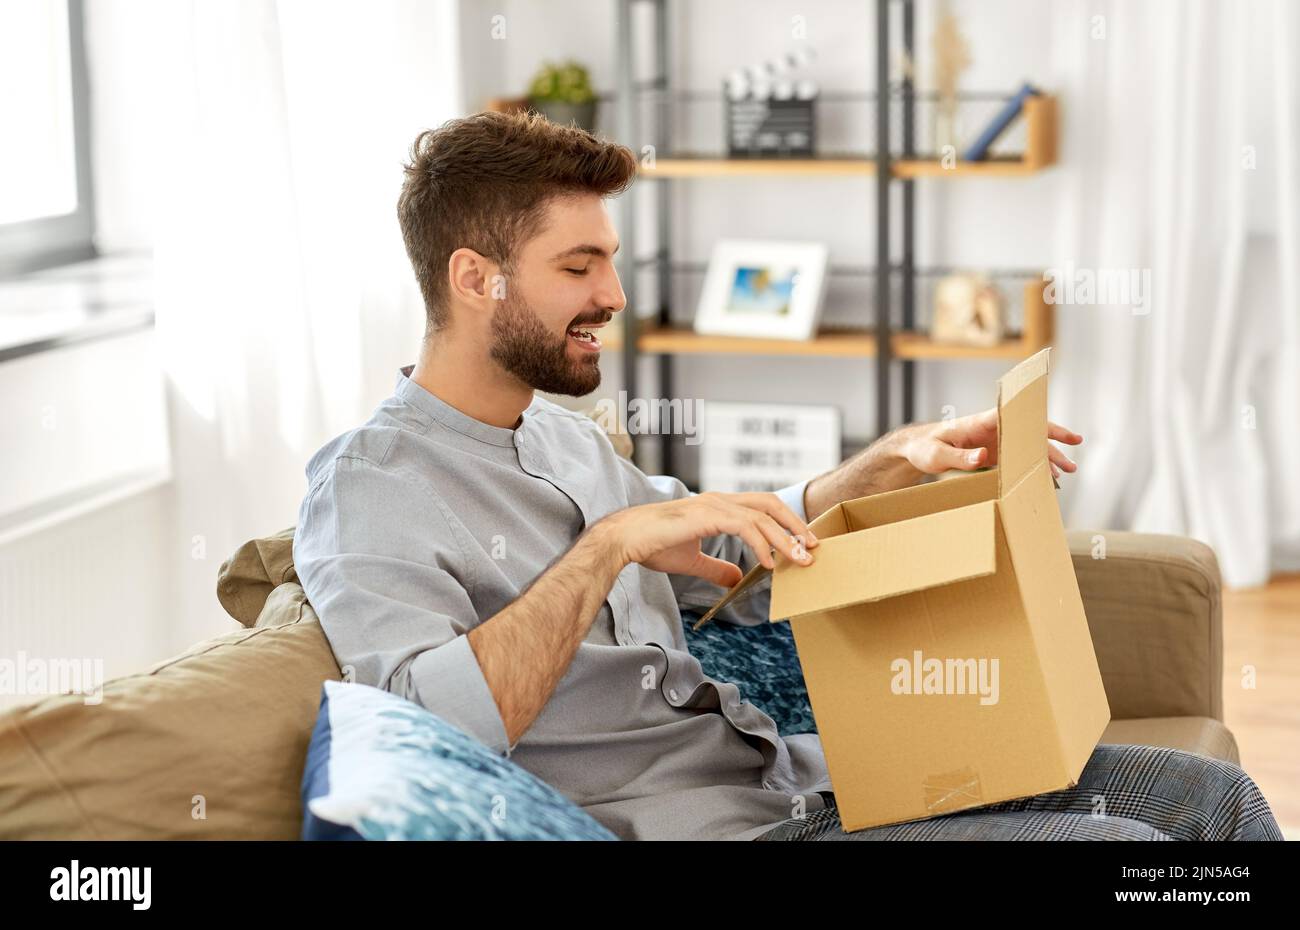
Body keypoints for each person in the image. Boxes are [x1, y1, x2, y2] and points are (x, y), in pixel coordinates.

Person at [294, 110, 1282, 841]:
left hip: (800, 780)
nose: (615, 295)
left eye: (613, 261)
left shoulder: (561, 437)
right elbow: (425, 721)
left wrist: (875, 469)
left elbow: (715, 546)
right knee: (1120, 853)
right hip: (721, 836)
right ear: (476, 279)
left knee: (1208, 800)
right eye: (579, 266)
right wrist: (601, 551)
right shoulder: (369, 486)